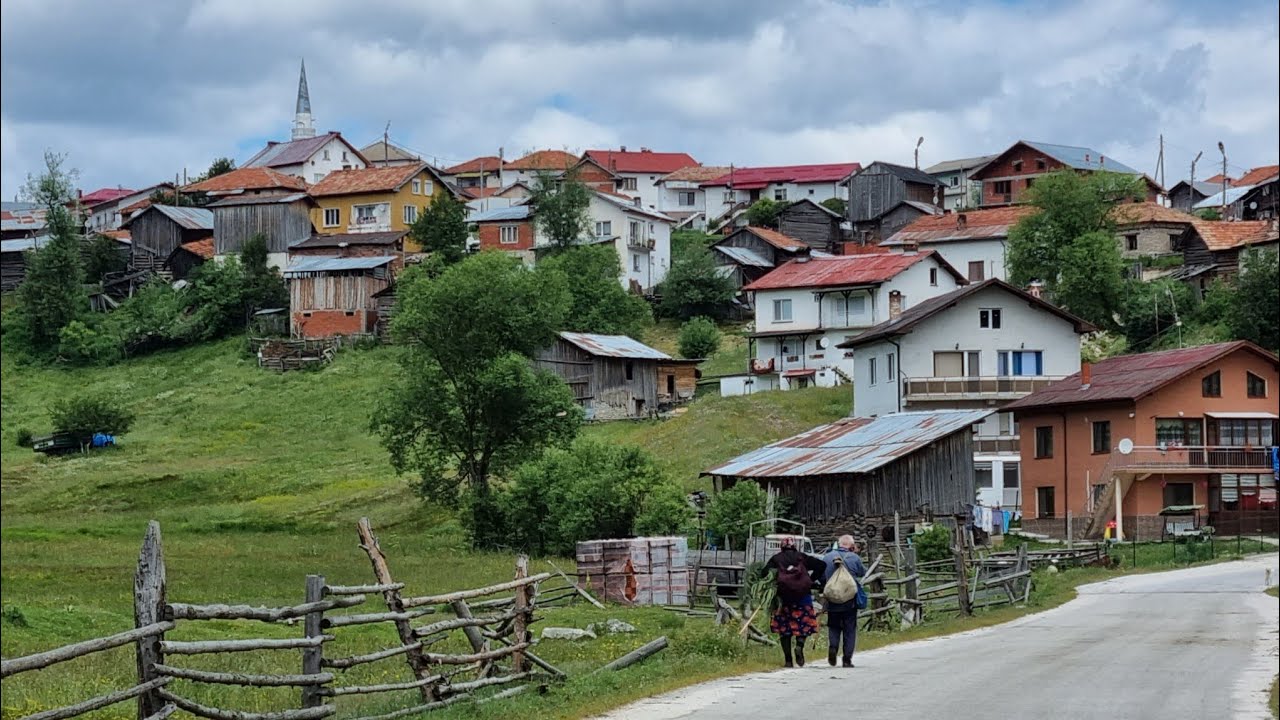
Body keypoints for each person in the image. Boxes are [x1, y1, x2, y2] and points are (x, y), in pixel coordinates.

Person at [764, 538, 825, 668]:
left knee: (784, 630)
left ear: (781, 547)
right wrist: (811, 580)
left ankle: (788, 661)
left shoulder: (776, 558)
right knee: (804, 625)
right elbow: (822, 565)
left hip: (784, 600)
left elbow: (764, 573)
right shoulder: (802, 557)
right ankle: (799, 646)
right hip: (803, 598)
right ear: (794, 546)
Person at [822, 534, 866, 668]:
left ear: (839, 543)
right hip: (849, 599)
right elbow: (862, 573)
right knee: (849, 628)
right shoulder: (854, 557)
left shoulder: (827, 557)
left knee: (834, 625)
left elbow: (823, 576)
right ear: (851, 546)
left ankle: (833, 646)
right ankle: (847, 659)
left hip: (832, 598)